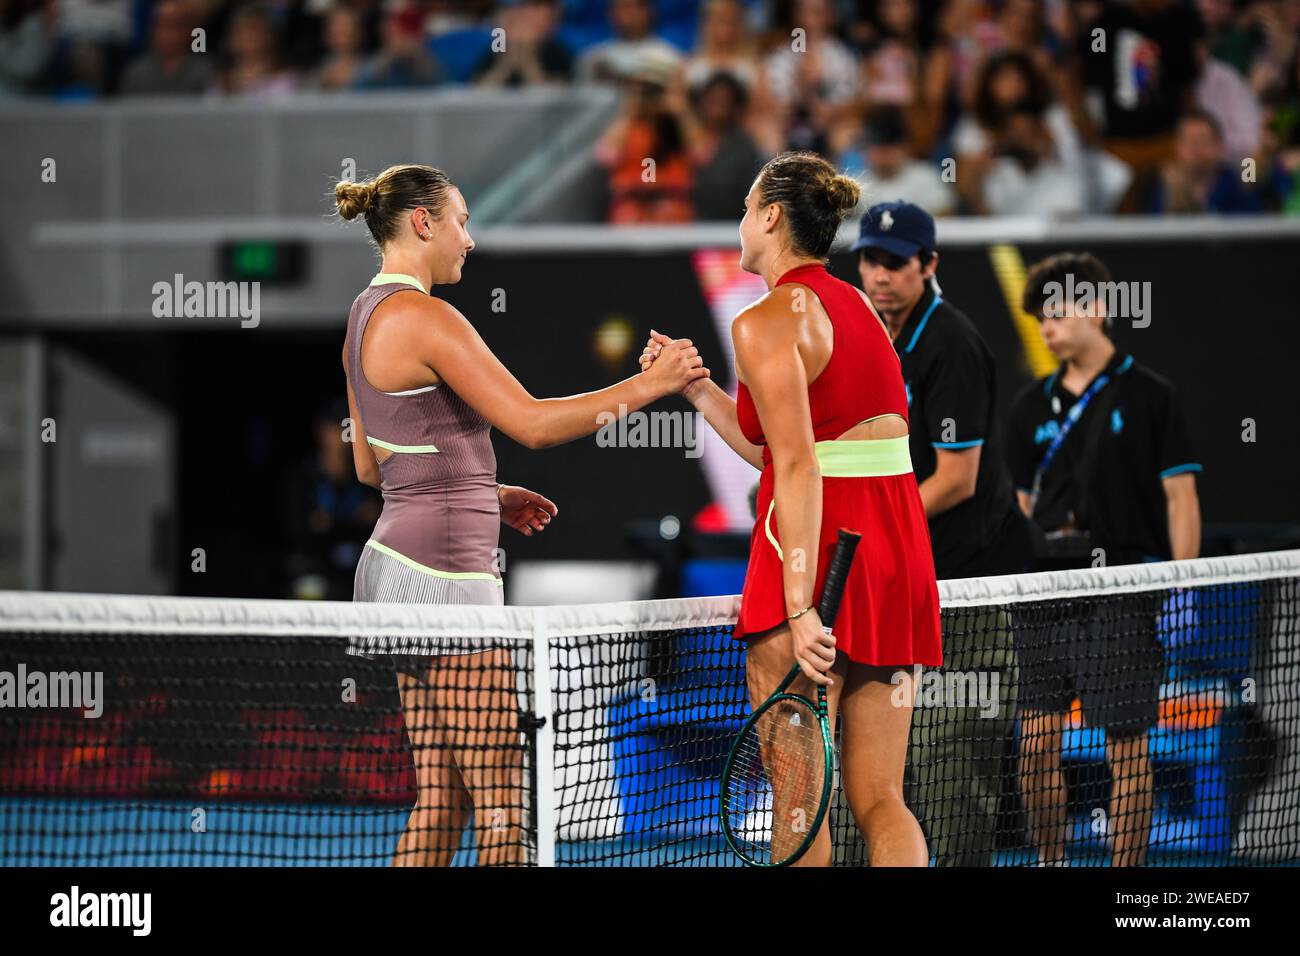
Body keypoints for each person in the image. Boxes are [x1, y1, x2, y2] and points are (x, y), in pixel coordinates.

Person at [335, 164, 706, 866]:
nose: (468, 241)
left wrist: (480, 490)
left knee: (442, 799)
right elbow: (532, 425)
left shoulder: (361, 315)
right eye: (461, 221)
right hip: (445, 576)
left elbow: (369, 465)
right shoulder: (427, 316)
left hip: (392, 567)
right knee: (505, 799)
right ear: (423, 223)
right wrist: (650, 384)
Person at [641, 151, 941, 867]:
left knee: (798, 805)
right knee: (881, 799)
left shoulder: (764, 320)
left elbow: (800, 466)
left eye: (747, 208)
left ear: (771, 217)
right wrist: (696, 388)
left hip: (812, 551)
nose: (741, 222)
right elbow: (772, 446)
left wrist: (803, 603)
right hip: (895, 547)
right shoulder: (860, 308)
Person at [1007, 251, 1202, 866]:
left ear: (1097, 310)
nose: (1047, 327)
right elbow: (1017, 509)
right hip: (1043, 593)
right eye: (1040, 318)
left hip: (1121, 589)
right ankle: (1051, 862)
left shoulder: (1151, 397)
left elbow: (1181, 496)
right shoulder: (1028, 409)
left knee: (1126, 746)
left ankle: (1126, 878)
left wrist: (1183, 583)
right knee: (1036, 745)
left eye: (1057, 313)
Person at [853, 199, 1031, 865]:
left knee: (954, 775)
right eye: (870, 259)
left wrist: (871, 527)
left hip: (964, 594)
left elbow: (957, 478)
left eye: (895, 263)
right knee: (866, 777)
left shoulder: (951, 342)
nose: (879, 274)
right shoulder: (871, 338)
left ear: (929, 265)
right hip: (900, 585)